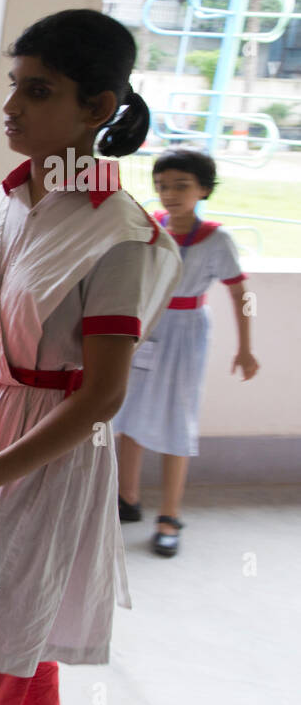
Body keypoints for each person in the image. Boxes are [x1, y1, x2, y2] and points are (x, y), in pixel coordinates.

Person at [0, 9, 183, 705]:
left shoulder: (119, 235)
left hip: (44, 457)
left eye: (38, 91)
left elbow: (102, 395)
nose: (11, 107)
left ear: (97, 108)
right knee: (16, 638)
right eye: (13, 86)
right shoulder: (6, 202)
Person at [114, 148, 259, 556]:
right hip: (147, 328)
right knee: (128, 413)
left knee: (177, 419)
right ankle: (127, 499)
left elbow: (239, 294)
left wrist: (246, 349)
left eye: (181, 185)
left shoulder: (217, 239)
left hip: (187, 332)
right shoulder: (150, 226)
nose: (169, 194)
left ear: (204, 190)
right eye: (162, 186)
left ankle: (170, 514)